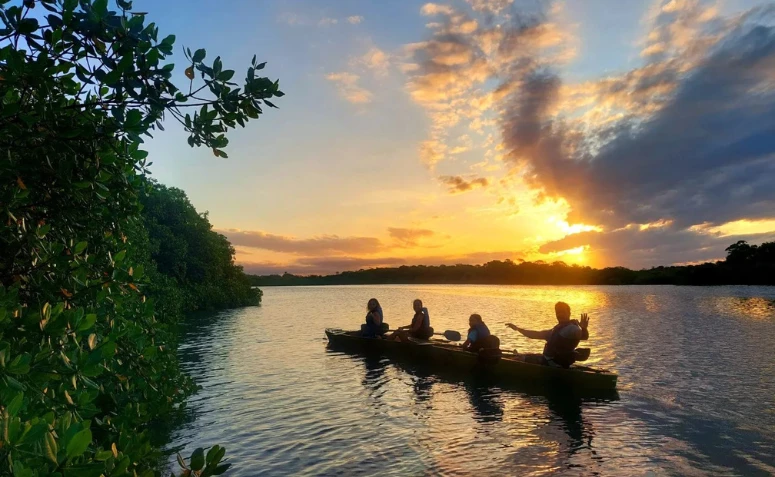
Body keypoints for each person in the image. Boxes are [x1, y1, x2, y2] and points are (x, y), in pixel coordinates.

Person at [506, 301, 589, 368]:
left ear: (569, 313)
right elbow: (535, 334)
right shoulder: (556, 329)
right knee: (525, 355)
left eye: (563, 312)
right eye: (558, 312)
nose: (560, 314)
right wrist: (517, 329)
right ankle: (520, 356)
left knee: (518, 359)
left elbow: (583, 336)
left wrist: (584, 329)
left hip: (552, 364)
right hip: (550, 361)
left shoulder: (572, 328)